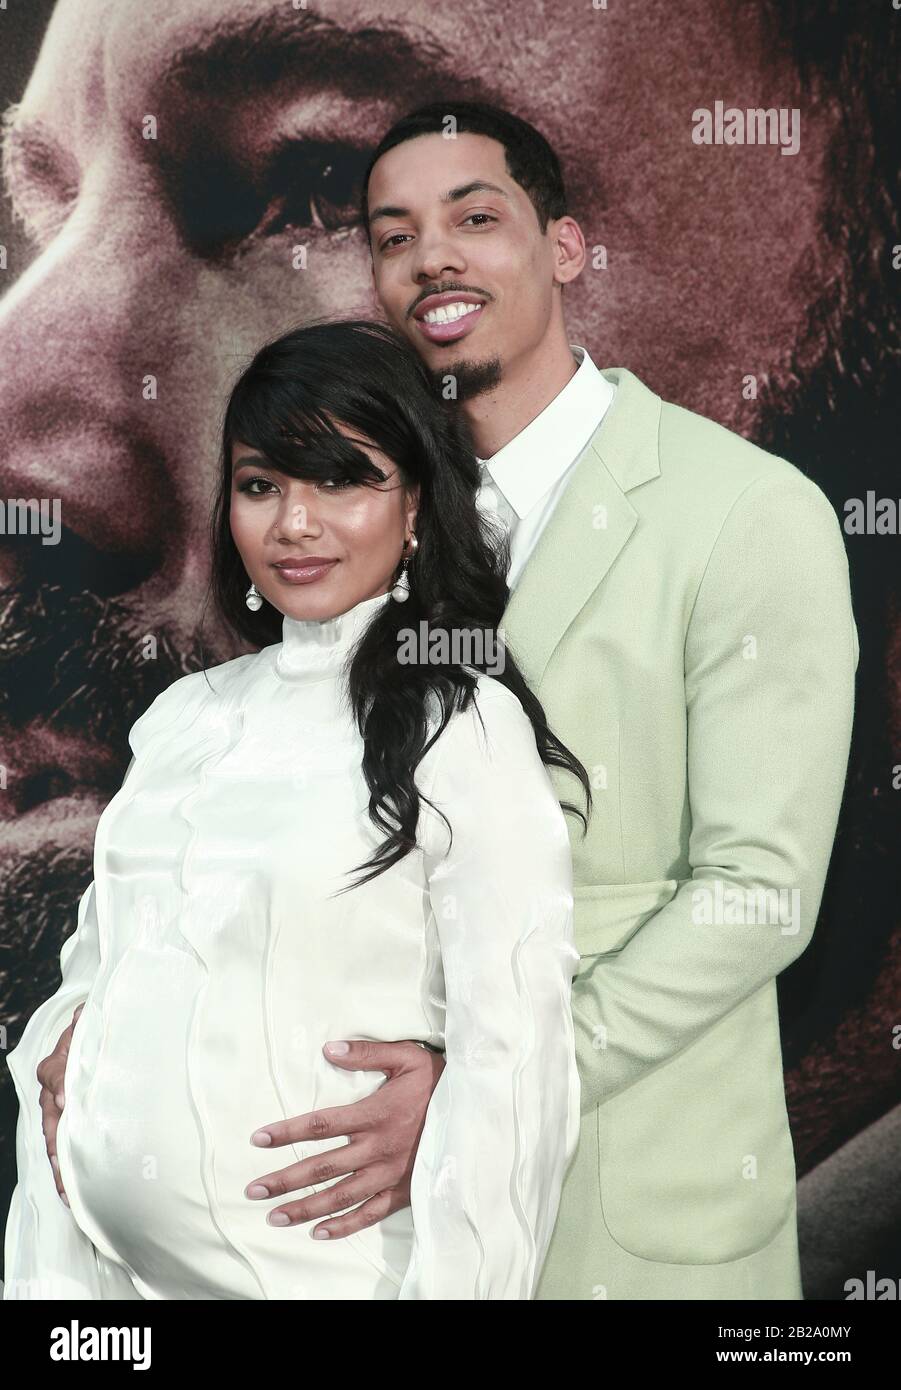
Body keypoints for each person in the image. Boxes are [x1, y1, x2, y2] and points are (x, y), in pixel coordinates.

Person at [190, 100, 857, 1301]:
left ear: (564, 247)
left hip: (627, 1213)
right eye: (392, 236)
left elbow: (759, 891)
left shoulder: (747, 513)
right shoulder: (357, 528)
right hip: (370, 1234)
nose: (430, 256)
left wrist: (485, 1080)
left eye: (476, 217)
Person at [2, 318, 587, 1300]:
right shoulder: (187, 715)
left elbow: (513, 1064)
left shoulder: (461, 720)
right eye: (262, 484)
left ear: (416, 510)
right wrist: (71, 1049)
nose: (294, 524)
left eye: (341, 480)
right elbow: (90, 981)